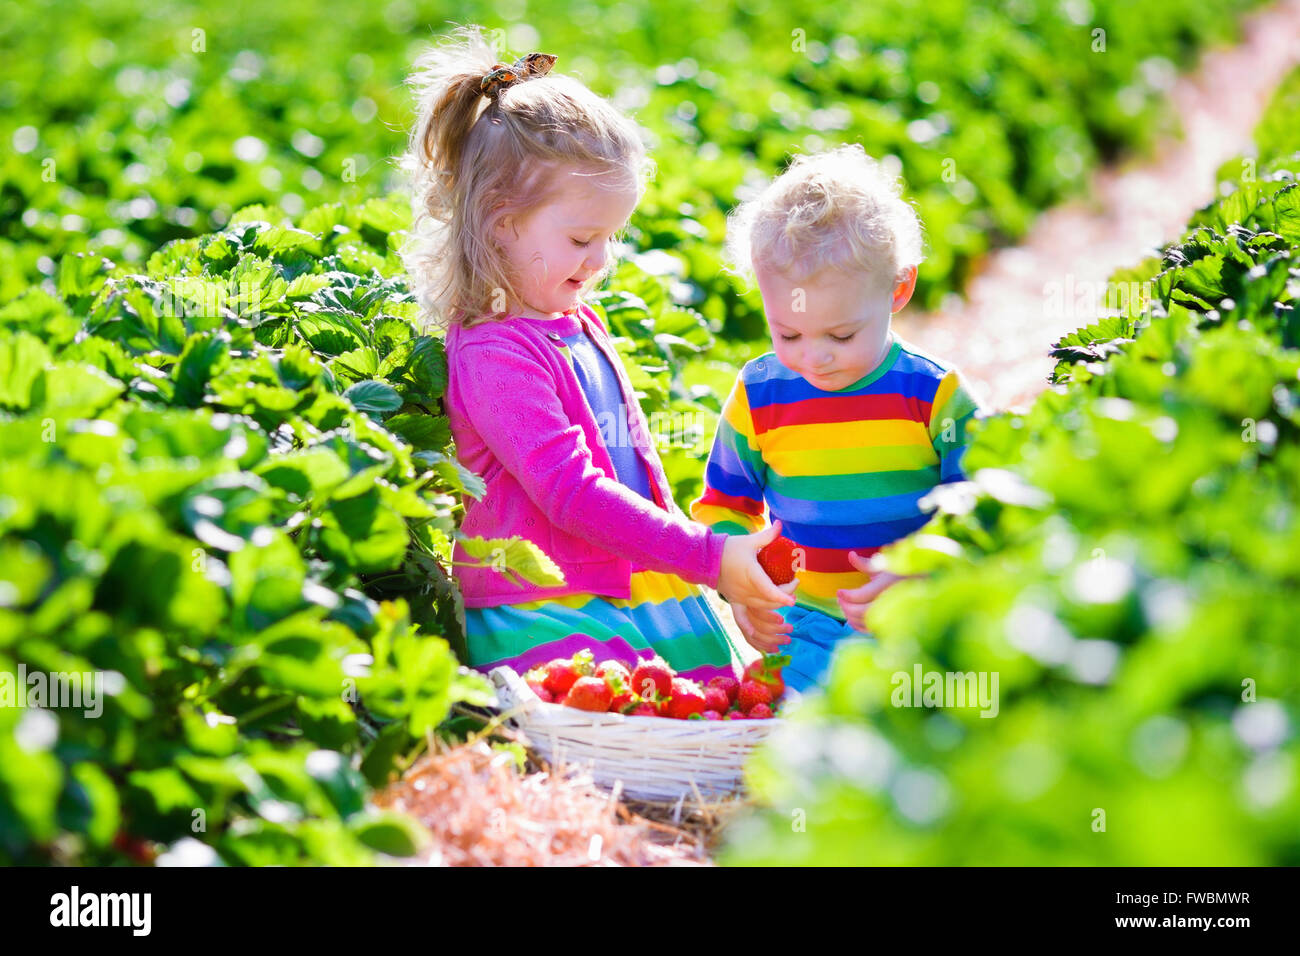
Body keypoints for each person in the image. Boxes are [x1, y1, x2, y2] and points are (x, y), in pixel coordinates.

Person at [400, 26, 794, 687]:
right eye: (583, 237)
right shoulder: (495, 351)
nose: (601, 259)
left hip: (627, 582)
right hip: (545, 605)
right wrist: (707, 556)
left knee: (716, 700)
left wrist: (707, 571)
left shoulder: (573, 319)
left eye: (610, 236)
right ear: (500, 221)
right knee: (623, 706)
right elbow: (571, 494)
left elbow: (636, 469)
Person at [690, 144, 992, 692]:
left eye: (841, 335)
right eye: (788, 334)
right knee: (800, 726)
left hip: (918, 613)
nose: (814, 356)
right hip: (805, 624)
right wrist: (745, 586)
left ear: (899, 289)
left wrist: (925, 567)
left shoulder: (934, 394)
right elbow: (724, 506)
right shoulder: (760, 394)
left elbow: (979, 500)